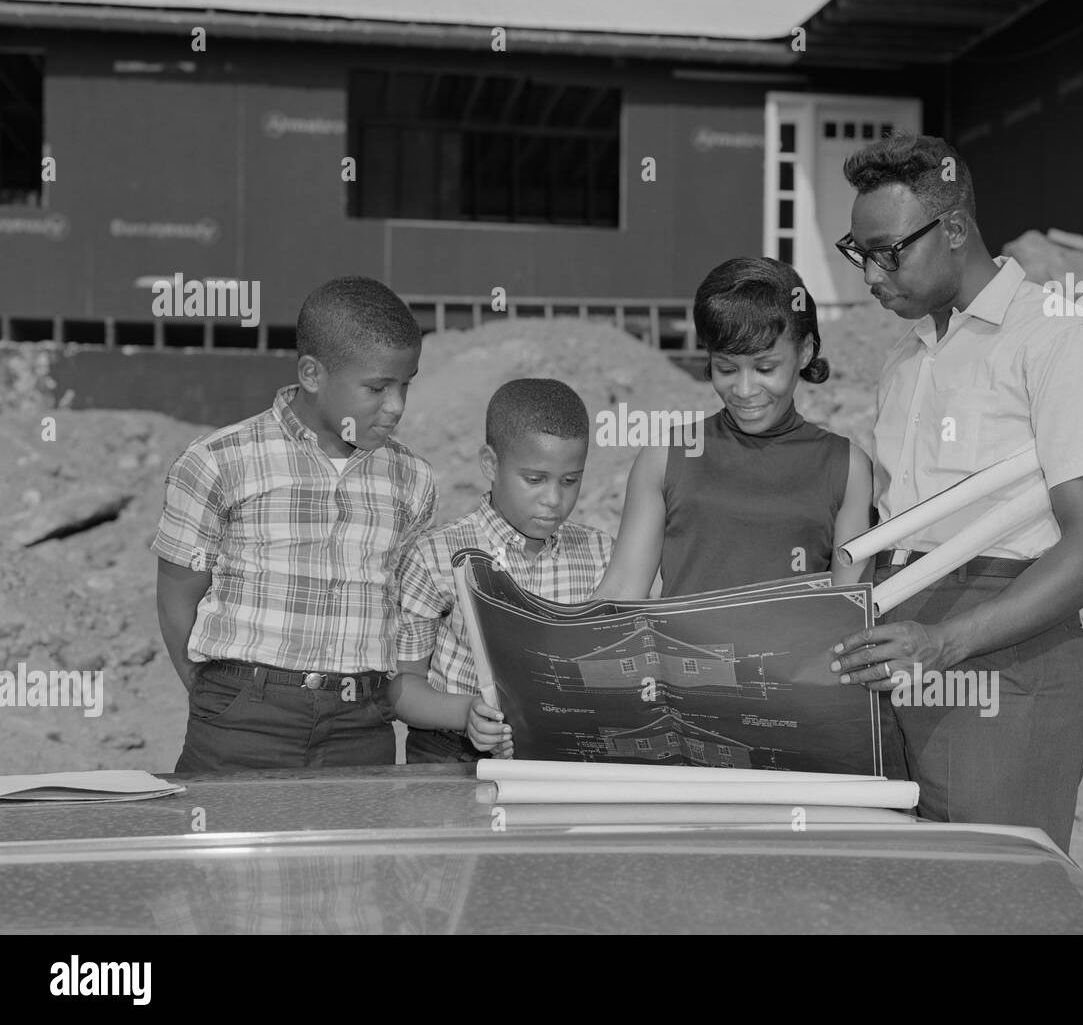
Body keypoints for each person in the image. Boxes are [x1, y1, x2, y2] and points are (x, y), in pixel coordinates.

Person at [825, 133, 1083, 853]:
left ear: (956, 228)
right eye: (859, 251)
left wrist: (944, 641)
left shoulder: (1057, 340)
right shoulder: (906, 359)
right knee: (922, 897)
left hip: (1006, 671)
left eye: (889, 251)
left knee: (999, 904)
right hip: (906, 663)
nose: (871, 273)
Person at [153, 275, 507, 771]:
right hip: (239, 725)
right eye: (377, 388)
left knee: (354, 850)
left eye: (405, 385)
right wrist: (226, 699)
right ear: (313, 374)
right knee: (224, 846)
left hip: (361, 727)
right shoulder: (218, 461)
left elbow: (403, 613)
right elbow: (176, 602)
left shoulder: (413, 480)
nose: (396, 406)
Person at [593, 257, 873, 600]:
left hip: (801, 655)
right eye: (726, 368)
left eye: (765, 368)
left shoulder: (846, 467)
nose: (744, 390)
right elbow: (622, 589)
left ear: (804, 352)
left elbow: (849, 605)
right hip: (686, 655)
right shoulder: (666, 457)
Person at [396, 378, 613, 763]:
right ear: (490, 464)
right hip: (451, 755)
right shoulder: (436, 554)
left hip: (563, 757)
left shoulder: (599, 555)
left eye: (570, 481)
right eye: (534, 480)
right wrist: (466, 713)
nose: (553, 500)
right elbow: (402, 686)